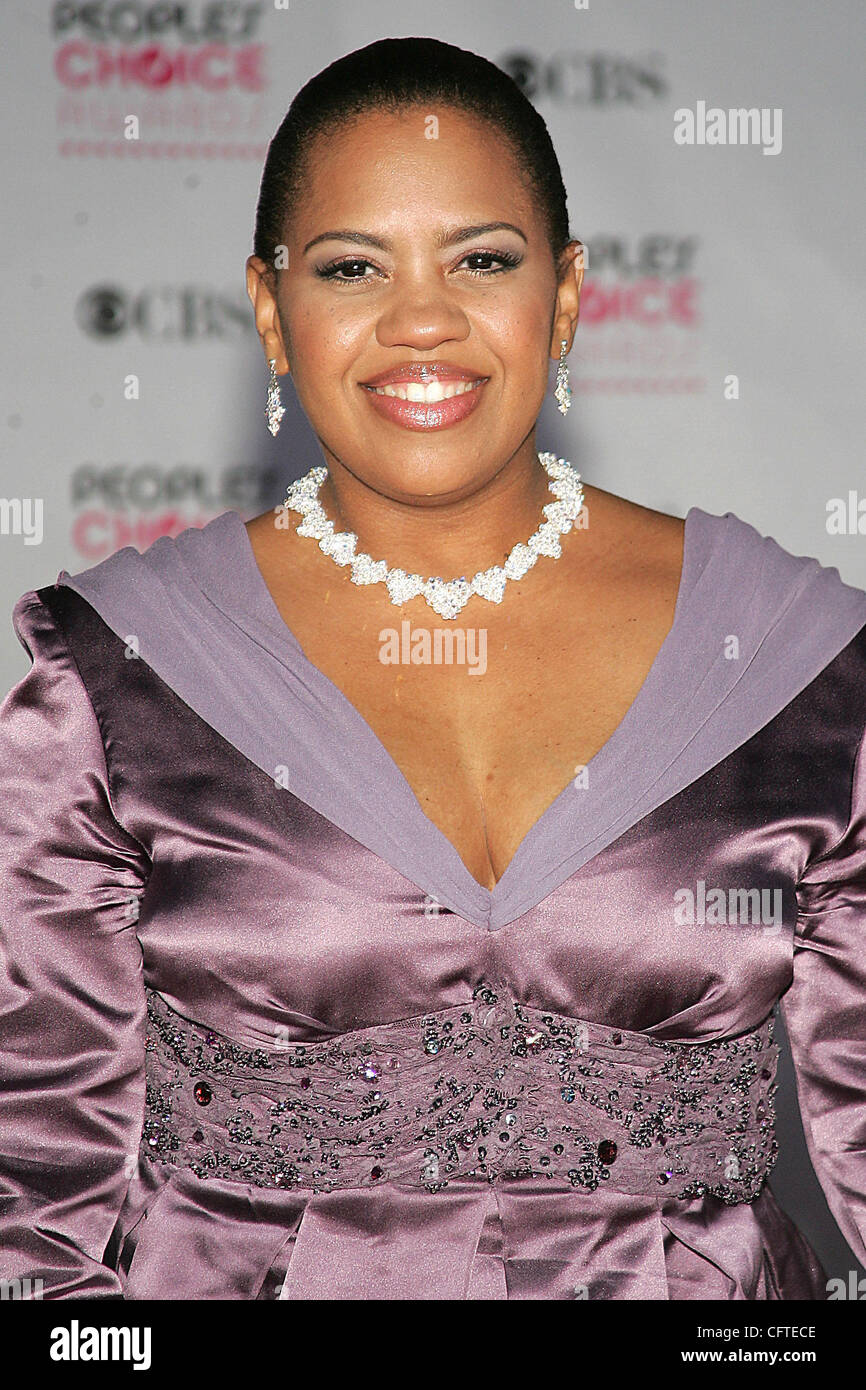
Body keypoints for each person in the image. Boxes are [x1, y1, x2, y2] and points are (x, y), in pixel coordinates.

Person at [0, 36, 864, 1302]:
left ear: (563, 297)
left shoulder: (798, 664)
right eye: (353, 266)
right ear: (267, 309)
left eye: (482, 260)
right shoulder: (115, 671)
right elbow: (34, 1227)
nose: (420, 320)